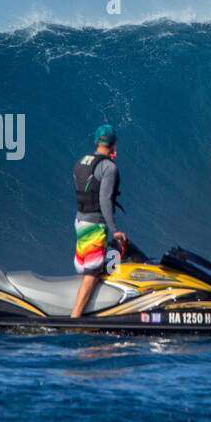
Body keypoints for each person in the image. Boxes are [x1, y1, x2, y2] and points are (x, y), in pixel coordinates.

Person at [71, 125, 128, 318]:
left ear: (96, 142)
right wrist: (115, 230)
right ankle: (75, 317)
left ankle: (100, 310)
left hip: (80, 222)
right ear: (113, 145)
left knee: (108, 262)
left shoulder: (81, 162)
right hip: (95, 225)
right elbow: (104, 200)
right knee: (93, 272)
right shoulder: (109, 168)